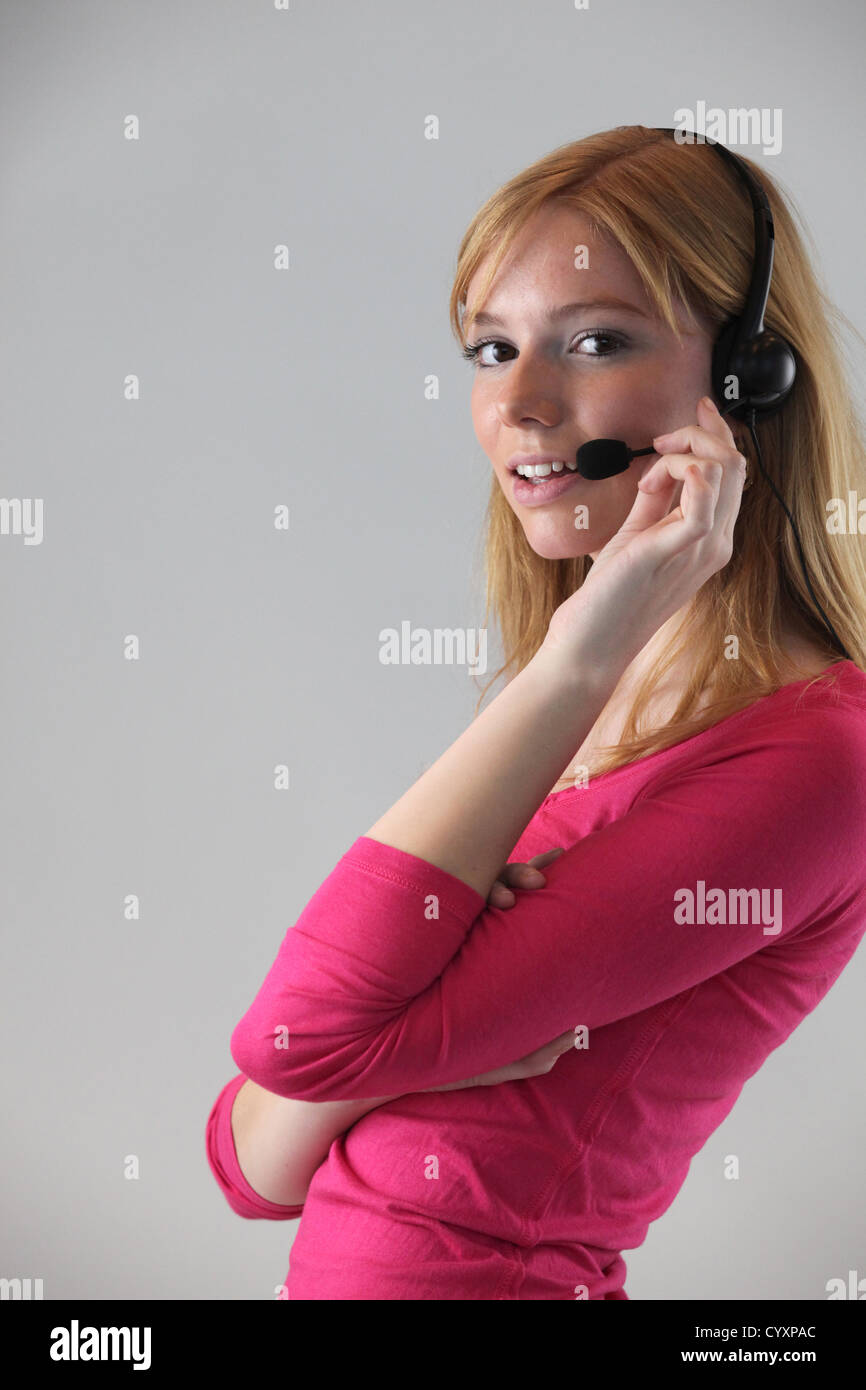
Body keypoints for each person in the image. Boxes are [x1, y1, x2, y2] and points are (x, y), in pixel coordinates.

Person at [205, 125, 866, 1300]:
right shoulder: (597, 708)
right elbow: (248, 1161)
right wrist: (400, 1044)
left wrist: (572, 660)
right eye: (490, 348)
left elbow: (294, 1048)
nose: (517, 402)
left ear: (745, 376)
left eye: (594, 341)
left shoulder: (817, 758)